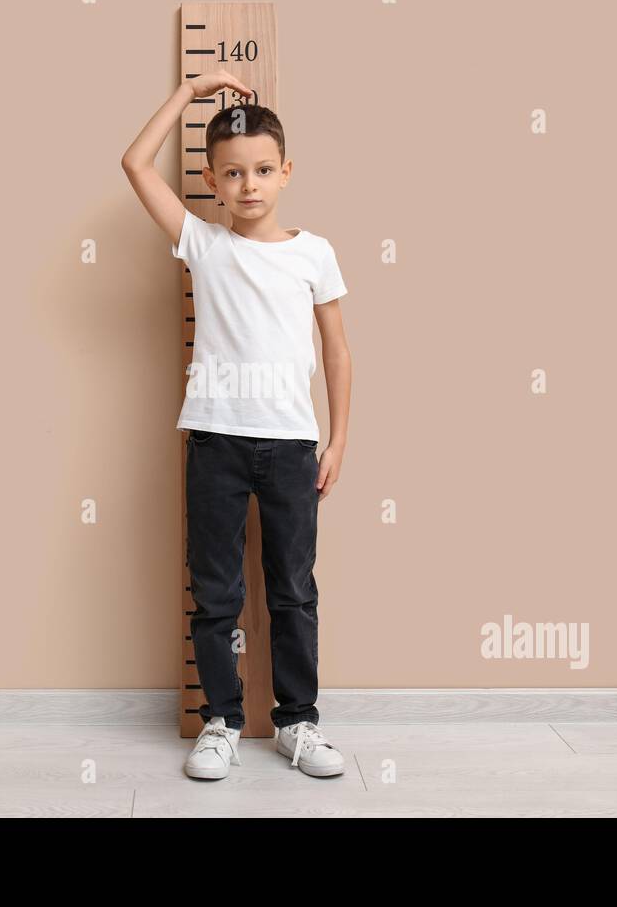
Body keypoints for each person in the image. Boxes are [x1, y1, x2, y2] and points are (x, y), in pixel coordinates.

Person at [121, 71, 352, 780]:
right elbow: (133, 163)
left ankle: (298, 724)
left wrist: (337, 438)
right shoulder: (204, 244)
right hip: (215, 442)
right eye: (231, 174)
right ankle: (219, 721)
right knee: (216, 590)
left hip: (289, 446)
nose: (248, 186)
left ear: (285, 172)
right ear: (210, 180)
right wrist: (190, 92)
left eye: (261, 171)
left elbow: (337, 348)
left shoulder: (313, 253)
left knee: (293, 590)